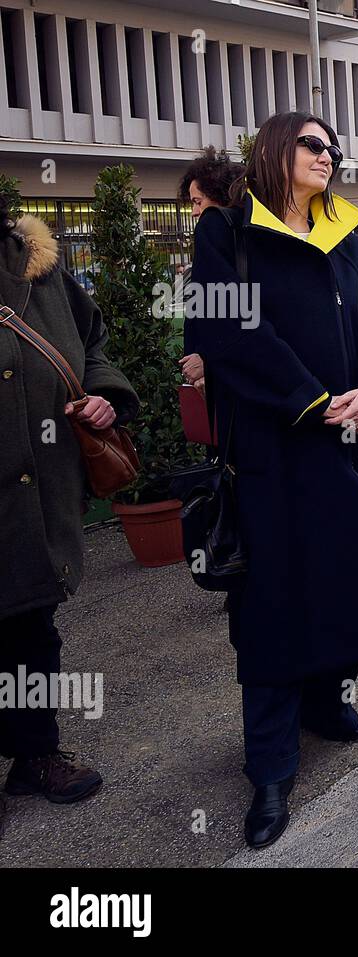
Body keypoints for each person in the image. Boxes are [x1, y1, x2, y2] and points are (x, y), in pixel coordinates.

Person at [187, 111, 358, 849]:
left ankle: (329, 701)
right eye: (315, 144)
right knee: (275, 605)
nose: (329, 155)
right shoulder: (224, 231)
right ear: (277, 150)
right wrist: (310, 399)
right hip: (276, 447)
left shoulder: (345, 232)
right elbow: (227, 331)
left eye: (334, 148)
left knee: (348, 577)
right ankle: (271, 766)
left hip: (350, 439)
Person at [0, 200, 139, 832]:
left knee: (32, 629)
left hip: (35, 492)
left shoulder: (36, 266)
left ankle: (35, 754)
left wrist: (105, 396)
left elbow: (92, 342)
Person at [178, 146, 246, 393]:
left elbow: (223, 306)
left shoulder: (216, 229)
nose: (195, 211)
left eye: (198, 201)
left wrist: (206, 358)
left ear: (219, 194)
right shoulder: (243, 233)